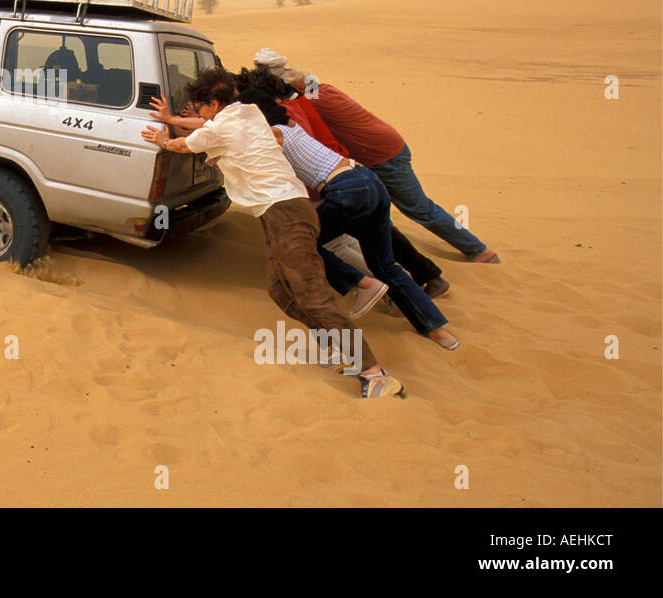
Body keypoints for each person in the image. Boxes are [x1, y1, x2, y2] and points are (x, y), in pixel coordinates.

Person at [141, 68, 406, 398]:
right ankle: (337, 349)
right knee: (280, 290)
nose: (196, 114)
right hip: (284, 210)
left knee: (312, 294)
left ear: (212, 103)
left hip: (284, 212)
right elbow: (207, 127)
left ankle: (373, 372)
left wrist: (163, 138)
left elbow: (185, 144)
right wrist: (173, 117)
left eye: (199, 107)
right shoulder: (248, 113)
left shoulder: (223, 125)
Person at [234, 88, 460, 350]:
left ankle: (360, 283)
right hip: (369, 183)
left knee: (302, 246)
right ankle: (439, 332)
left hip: (345, 191)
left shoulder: (274, 132)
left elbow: (239, 143)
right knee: (387, 266)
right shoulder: (292, 124)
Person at [266, 58, 499, 264]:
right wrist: (287, 74)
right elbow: (309, 80)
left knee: (419, 208)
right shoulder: (323, 89)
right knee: (378, 210)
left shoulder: (312, 102)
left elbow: (295, 104)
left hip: (382, 155)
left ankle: (479, 250)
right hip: (385, 146)